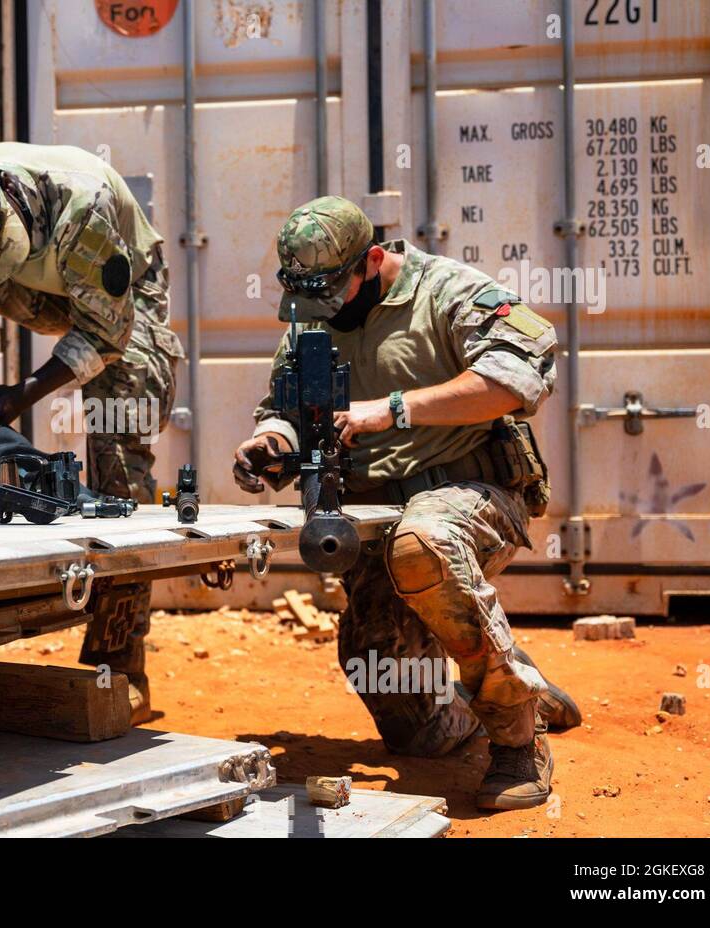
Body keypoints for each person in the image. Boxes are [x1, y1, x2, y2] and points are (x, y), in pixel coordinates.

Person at [234, 196, 581, 810]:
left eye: (330, 294)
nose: (318, 313)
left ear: (371, 261)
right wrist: (272, 442)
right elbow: (285, 409)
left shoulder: (447, 291)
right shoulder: (313, 317)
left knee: (423, 543)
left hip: (470, 495)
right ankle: (508, 675)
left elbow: (517, 377)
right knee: (410, 723)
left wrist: (395, 409)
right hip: (371, 516)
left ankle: (518, 739)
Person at [0, 142, 185, 723]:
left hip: (119, 296)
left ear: (11, 204)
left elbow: (105, 330)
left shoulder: (81, 205)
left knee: (118, 450)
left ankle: (119, 664)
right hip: (20, 278)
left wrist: (25, 393)